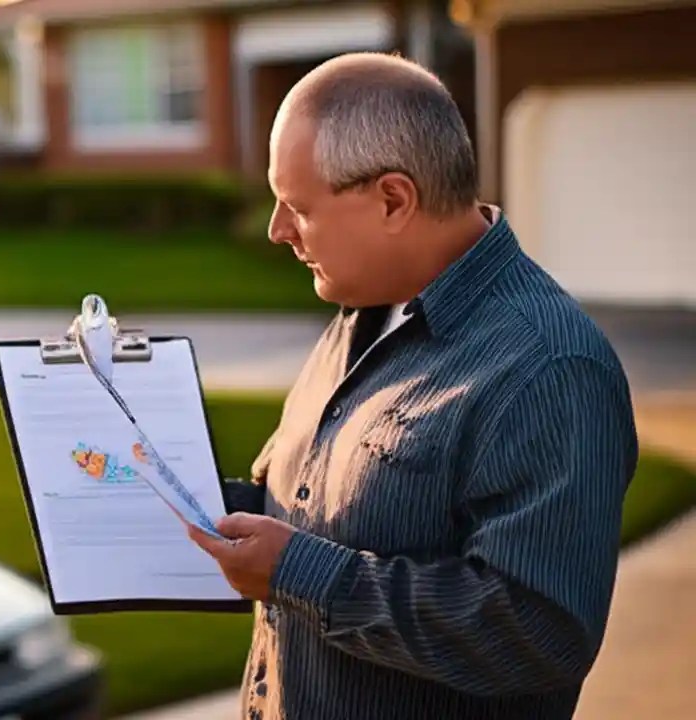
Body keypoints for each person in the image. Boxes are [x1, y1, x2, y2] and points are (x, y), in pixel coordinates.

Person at [187, 52, 639, 720]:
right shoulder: (361, 310)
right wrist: (191, 502)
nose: (278, 230)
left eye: (297, 207)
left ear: (393, 199)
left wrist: (297, 573)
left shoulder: (548, 367)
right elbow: (311, 508)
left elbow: (536, 631)